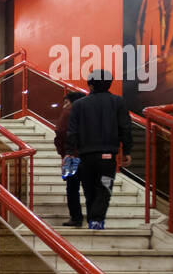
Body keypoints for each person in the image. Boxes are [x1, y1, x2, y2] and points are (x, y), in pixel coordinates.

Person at [66, 72, 132, 230]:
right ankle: (96, 220)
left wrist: (69, 151)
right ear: (109, 84)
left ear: (90, 85)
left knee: (89, 189)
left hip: (86, 156)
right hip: (108, 156)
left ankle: (92, 220)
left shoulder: (79, 105)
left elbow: (72, 131)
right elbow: (125, 127)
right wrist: (127, 150)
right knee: (104, 187)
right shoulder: (118, 102)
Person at [53, 90, 88, 227]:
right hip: (88, 157)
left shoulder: (67, 113)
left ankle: (76, 218)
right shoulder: (90, 115)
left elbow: (60, 134)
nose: (63, 106)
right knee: (89, 188)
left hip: (70, 157)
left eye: (66, 102)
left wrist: (63, 153)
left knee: (72, 188)